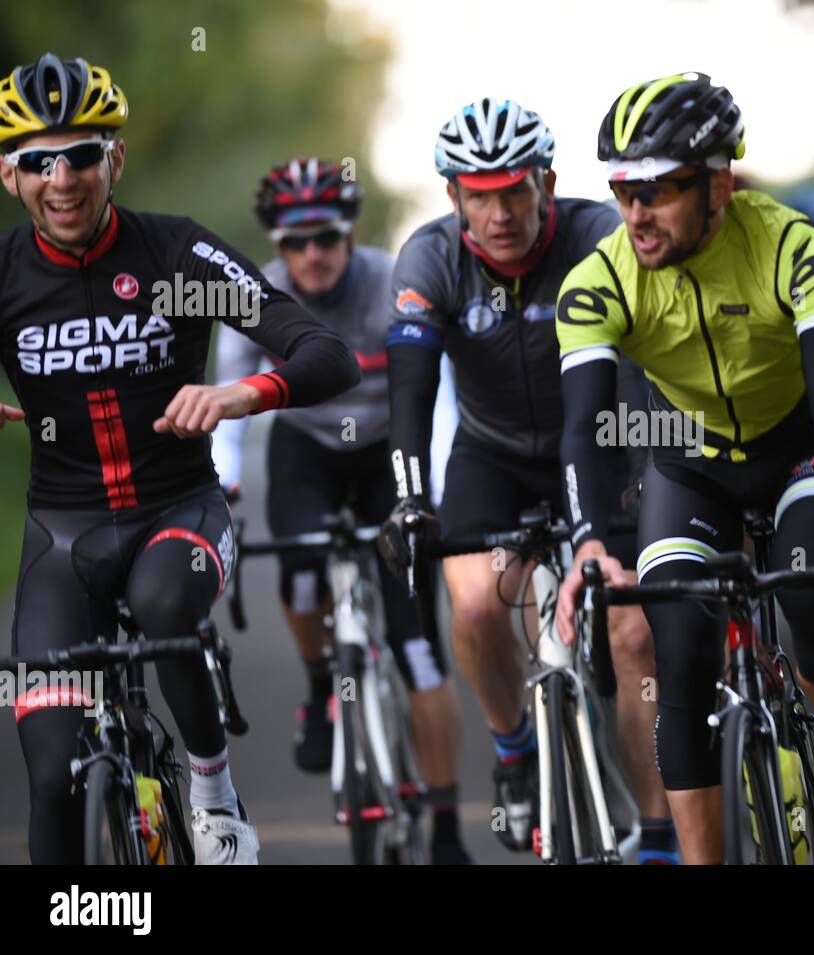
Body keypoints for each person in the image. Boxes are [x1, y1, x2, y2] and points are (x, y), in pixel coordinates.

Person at [0, 54, 360, 863]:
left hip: (179, 514)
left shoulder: (175, 257)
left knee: (165, 604)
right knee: (51, 773)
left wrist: (241, 395)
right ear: (8, 174)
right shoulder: (6, 275)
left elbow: (323, 351)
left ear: (115, 160)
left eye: (83, 154)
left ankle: (211, 786)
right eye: (37, 160)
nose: (63, 179)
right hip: (61, 542)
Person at [553, 72, 814, 865]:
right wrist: (586, 540)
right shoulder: (600, 281)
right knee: (677, 648)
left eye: (659, 190)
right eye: (622, 191)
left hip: (797, 450)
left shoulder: (796, 249)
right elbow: (585, 430)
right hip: (690, 470)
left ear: (719, 184)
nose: (636, 212)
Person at [380, 98, 676, 862]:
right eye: (479, 194)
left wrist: (648, 481)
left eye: (514, 189)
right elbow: (409, 393)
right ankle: (514, 747)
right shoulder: (429, 257)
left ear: (547, 181)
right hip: (492, 454)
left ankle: (657, 835)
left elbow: (645, 374)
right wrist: (411, 499)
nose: (500, 212)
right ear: (454, 197)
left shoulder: (598, 238)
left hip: (608, 444)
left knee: (634, 629)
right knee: (476, 605)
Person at [210, 157, 471, 863]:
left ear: (349, 232)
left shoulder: (392, 279)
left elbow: (438, 390)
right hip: (310, 448)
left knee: (419, 648)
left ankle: (445, 825)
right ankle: (324, 681)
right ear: (277, 243)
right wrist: (224, 485)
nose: (313, 254)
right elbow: (227, 406)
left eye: (326, 237)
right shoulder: (254, 294)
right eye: (295, 242)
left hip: (391, 443)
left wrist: (430, 487)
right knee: (296, 570)